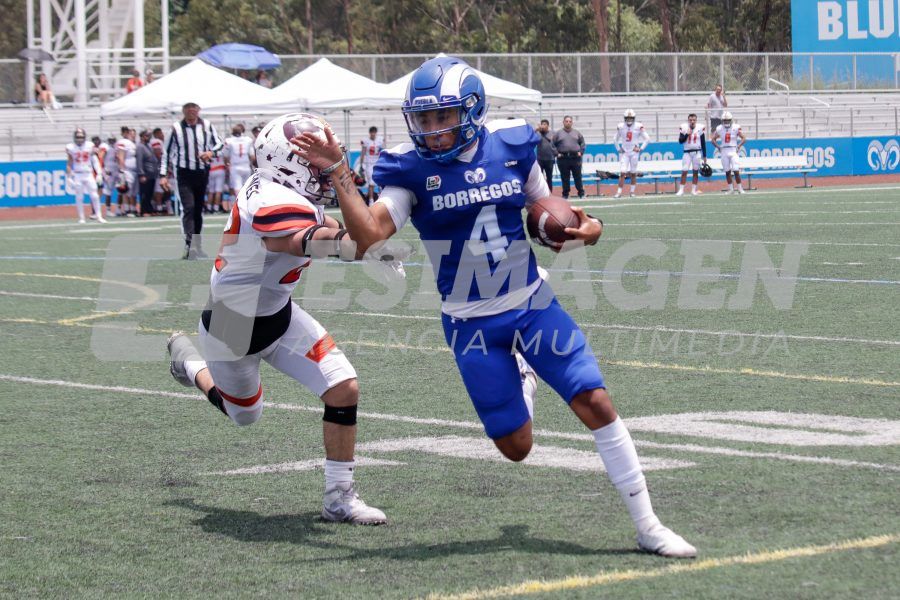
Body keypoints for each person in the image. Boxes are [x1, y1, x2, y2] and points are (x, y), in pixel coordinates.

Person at [293, 56, 696, 558]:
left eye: (443, 116)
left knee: (595, 402)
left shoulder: (512, 144)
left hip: (532, 304)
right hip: (470, 324)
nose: (433, 129)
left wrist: (589, 229)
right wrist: (337, 172)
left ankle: (648, 525)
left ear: (472, 110)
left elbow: (550, 216)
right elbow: (371, 234)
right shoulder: (409, 169)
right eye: (425, 118)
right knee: (516, 447)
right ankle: (522, 375)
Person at [166, 112, 386, 525]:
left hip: (279, 316)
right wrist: (355, 245)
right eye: (317, 162)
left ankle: (338, 498)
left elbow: (331, 224)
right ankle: (192, 365)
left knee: (343, 387)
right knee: (244, 415)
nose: (325, 169)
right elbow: (303, 238)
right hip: (231, 327)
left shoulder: (284, 189)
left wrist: (356, 232)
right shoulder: (271, 200)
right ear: (291, 163)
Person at [159, 102, 223, 259]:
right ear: (183, 110)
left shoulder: (207, 125)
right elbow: (166, 152)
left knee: (198, 210)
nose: (191, 110)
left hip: (201, 172)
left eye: (194, 107)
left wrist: (211, 153)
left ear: (199, 110)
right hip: (184, 173)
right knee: (188, 207)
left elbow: (220, 144)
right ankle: (189, 244)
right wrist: (163, 175)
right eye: (188, 107)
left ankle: (197, 245)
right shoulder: (176, 128)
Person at [66, 128, 106, 224]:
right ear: (74, 137)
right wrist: (68, 176)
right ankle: (81, 218)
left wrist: (99, 173)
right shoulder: (70, 147)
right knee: (79, 197)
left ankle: (99, 216)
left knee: (95, 195)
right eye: (78, 137)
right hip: (78, 174)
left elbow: (95, 160)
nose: (80, 139)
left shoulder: (90, 145)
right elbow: (69, 162)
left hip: (88, 173)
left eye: (81, 137)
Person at [613, 109, 650, 198]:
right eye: (627, 118)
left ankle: (632, 192)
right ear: (625, 118)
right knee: (622, 172)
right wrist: (618, 149)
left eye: (631, 118)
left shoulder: (638, 126)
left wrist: (641, 148)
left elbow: (647, 138)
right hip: (625, 152)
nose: (629, 120)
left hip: (634, 152)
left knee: (633, 172)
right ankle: (619, 192)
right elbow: (615, 139)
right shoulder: (621, 126)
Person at [712, 111, 746, 194]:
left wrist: (738, 146)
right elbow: (713, 139)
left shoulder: (736, 127)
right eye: (725, 120)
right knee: (727, 171)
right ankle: (731, 189)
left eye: (728, 120)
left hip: (733, 149)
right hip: (724, 150)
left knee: (736, 170)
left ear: (731, 120)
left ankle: (740, 188)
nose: (726, 122)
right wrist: (718, 147)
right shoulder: (719, 128)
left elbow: (744, 138)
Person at [224, 124, 255, 213]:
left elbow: (226, 156)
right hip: (246, 166)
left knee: (237, 187)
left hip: (235, 166)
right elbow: (252, 156)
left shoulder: (229, 141)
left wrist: (226, 164)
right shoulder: (248, 140)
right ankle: (247, 205)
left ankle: (241, 206)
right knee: (246, 186)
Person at [552, 115, 585, 199]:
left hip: (575, 158)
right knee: (565, 177)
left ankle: (581, 193)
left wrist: (581, 152)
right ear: (563, 122)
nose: (568, 123)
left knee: (577, 176)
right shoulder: (558, 133)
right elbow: (552, 144)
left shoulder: (577, 133)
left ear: (572, 123)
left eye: (570, 121)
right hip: (563, 158)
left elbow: (582, 143)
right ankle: (565, 194)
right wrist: (556, 153)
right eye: (566, 121)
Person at [676, 113, 707, 196]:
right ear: (688, 120)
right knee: (684, 171)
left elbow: (703, 142)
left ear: (696, 120)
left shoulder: (700, 128)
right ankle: (681, 190)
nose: (692, 121)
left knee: (695, 171)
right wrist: (687, 134)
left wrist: (704, 155)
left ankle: (693, 190)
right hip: (687, 153)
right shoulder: (684, 128)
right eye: (690, 120)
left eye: (694, 120)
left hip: (697, 152)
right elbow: (680, 141)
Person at [115, 127, 138, 216]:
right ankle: (127, 209)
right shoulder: (123, 142)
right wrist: (122, 171)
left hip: (134, 170)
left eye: (133, 133)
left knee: (133, 192)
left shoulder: (133, 143)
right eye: (130, 133)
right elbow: (121, 156)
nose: (132, 135)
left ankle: (133, 209)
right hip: (127, 170)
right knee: (127, 190)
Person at [136, 130, 159, 215]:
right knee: (144, 193)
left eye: (149, 136)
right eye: (146, 136)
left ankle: (149, 209)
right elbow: (139, 161)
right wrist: (141, 174)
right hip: (145, 174)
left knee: (150, 193)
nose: (148, 137)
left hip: (151, 174)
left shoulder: (148, 146)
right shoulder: (140, 147)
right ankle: (144, 210)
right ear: (142, 136)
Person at [359, 126, 384, 204]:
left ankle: (381, 198)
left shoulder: (380, 140)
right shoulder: (366, 141)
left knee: (381, 182)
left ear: (376, 133)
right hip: (369, 164)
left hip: (378, 163)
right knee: (371, 183)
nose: (373, 134)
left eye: (374, 132)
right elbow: (363, 153)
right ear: (370, 133)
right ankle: (371, 200)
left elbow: (382, 151)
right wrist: (361, 164)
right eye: (372, 132)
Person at [536, 119, 557, 192]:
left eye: (545, 124)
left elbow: (556, 142)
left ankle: (549, 192)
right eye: (542, 124)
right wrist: (536, 130)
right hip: (540, 159)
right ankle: (541, 192)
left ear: (548, 126)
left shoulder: (553, 133)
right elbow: (530, 136)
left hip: (550, 159)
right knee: (540, 178)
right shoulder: (538, 133)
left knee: (549, 177)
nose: (543, 126)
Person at [100, 133, 118, 213]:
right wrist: (104, 170)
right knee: (108, 191)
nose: (112, 141)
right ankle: (108, 209)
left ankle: (119, 209)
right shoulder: (105, 147)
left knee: (121, 190)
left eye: (113, 140)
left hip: (116, 169)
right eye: (110, 140)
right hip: (108, 170)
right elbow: (100, 157)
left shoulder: (116, 147)